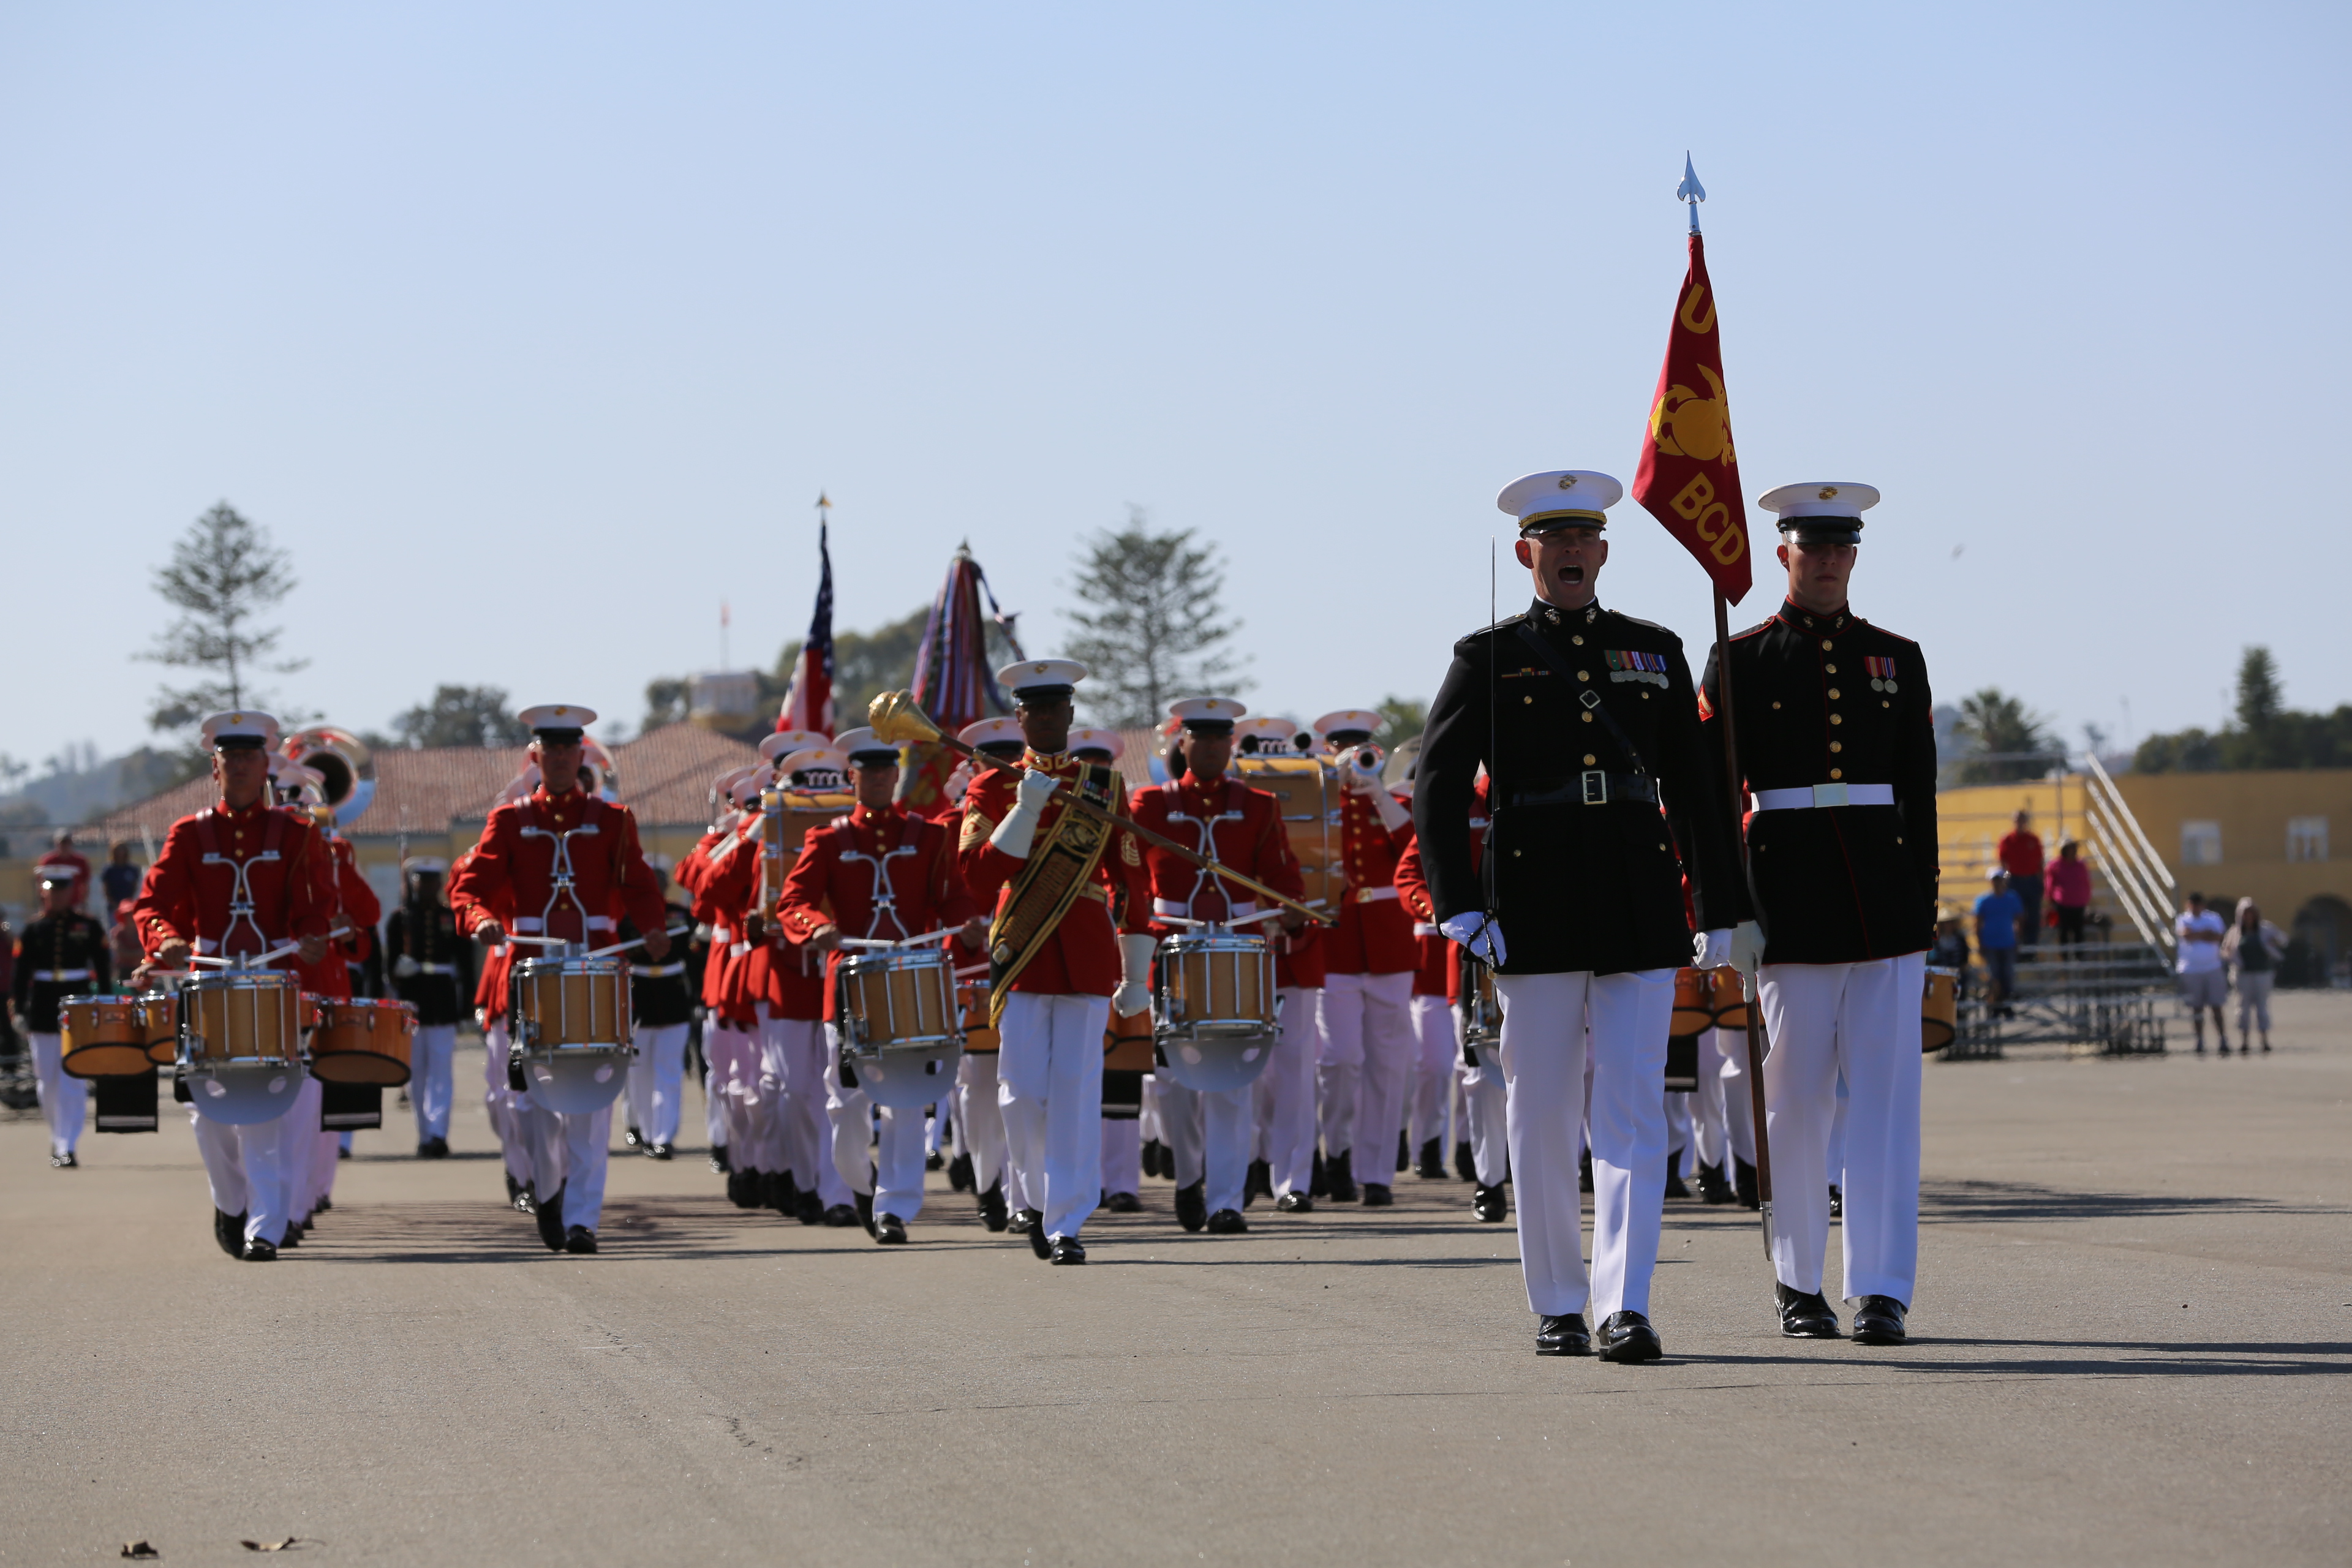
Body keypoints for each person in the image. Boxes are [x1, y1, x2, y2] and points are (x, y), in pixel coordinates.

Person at [1417, 469, 1750, 1363]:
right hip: (1534, 899)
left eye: (1584, 541)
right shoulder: (1485, 659)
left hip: (1639, 895)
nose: (1569, 554)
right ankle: (1559, 1298)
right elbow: (1438, 787)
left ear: (1602, 551)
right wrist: (1458, 904)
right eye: (1552, 542)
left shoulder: (1654, 648)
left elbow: (1699, 788)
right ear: (1528, 554)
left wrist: (1721, 902)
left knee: (1636, 1110)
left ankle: (1624, 1301)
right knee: (1542, 1109)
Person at [1699, 480, 1940, 1349]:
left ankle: (1881, 1288)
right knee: (1795, 1100)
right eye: (1816, 548)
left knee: (1884, 1103)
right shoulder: (1742, 659)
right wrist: (1725, 911)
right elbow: (1713, 799)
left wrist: (1926, 900)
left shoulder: (1895, 657)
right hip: (1787, 900)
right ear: (1784, 555)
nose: (1831, 561)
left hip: (1883, 901)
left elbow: (1919, 789)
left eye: (1844, 548)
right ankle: (1799, 1280)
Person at [449, 704, 671, 1255]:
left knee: (593, 1107)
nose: (561, 759)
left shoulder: (614, 819)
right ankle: (548, 1192)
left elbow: (639, 884)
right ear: (536, 757)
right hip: (529, 973)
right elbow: (469, 889)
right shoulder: (510, 821)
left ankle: (581, 1221)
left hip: (596, 972)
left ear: (582, 754)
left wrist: (655, 927)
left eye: (570, 750)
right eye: (550, 751)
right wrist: (479, 921)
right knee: (530, 1108)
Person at [959, 658, 1153, 1264]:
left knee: (1075, 1088)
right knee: (1019, 1094)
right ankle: (1037, 1198)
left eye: (1055, 709)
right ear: (1019, 717)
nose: (1045, 718)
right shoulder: (990, 785)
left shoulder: (1103, 785)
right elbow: (977, 876)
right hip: (1022, 951)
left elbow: (1133, 883)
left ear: (1070, 715)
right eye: (1033, 709)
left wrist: (1137, 972)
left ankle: (1066, 1221)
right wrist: (1023, 809)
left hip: (1088, 953)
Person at [129, 710, 336, 1260]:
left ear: (266, 765)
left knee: (267, 1105)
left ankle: (265, 1229)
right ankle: (230, 1201)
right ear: (214, 768)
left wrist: (313, 937)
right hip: (209, 986)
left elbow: (315, 908)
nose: (241, 767)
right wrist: (167, 939)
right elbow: (152, 906)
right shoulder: (190, 834)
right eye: (231, 758)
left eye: (250, 758)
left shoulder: (297, 832)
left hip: (271, 985)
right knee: (209, 1114)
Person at [776, 726, 986, 1243]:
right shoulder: (827, 840)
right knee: (845, 1103)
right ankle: (859, 1181)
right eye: (866, 772)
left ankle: (895, 1207)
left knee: (906, 1102)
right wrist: (815, 926)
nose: (876, 779)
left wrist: (971, 924)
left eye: (884, 771)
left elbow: (952, 897)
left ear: (896, 776)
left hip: (913, 983)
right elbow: (792, 902)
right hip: (848, 984)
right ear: (853, 778)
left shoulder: (930, 836)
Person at [1128, 696, 1308, 1235]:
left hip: (1240, 950)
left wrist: (1294, 910)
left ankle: (1227, 1199)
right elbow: (1129, 881)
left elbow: (1281, 871)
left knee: (1232, 1081)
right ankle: (1188, 1178)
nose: (1210, 748)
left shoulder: (1257, 804)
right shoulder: (1149, 805)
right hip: (1173, 950)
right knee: (1174, 1083)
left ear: (1231, 745)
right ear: (1181, 744)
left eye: (1219, 739)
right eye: (1199, 739)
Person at [1311, 707, 1419, 1207]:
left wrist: (1377, 791)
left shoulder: (1392, 800)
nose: (1353, 758)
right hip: (1336, 945)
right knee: (1340, 1060)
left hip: (1389, 943)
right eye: (1342, 749)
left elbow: (1413, 845)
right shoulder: (1318, 804)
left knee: (1387, 1064)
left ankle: (1376, 1173)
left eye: (1362, 749)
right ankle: (1337, 1150)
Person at [11, 862, 111, 1167]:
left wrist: (103, 1006)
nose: (57, 896)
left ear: (72, 892)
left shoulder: (88, 926)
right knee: (46, 1078)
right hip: (42, 1006)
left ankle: (69, 1144)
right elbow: (20, 973)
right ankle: (57, 1138)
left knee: (74, 1078)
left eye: (63, 890)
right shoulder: (33, 928)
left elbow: (104, 970)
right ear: (45, 892)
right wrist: (17, 1008)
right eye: (52, 890)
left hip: (78, 1004)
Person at [383, 858, 474, 1156]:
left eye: (433, 881)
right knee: (416, 1073)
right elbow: (389, 968)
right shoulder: (400, 919)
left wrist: (466, 1009)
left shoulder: (451, 917)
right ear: (414, 883)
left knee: (441, 1072)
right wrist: (399, 970)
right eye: (421, 881)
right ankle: (424, 1133)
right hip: (412, 1003)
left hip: (443, 1003)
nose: (427, 886)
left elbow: (466, 966)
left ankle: (439, 1133)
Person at [2220, 897, 2284, 1055]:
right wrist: (2230, 956)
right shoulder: (2235, 932)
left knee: (2262, 1008)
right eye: (2245, 913)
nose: (2248, 916)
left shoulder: (2265, 929)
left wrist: (2273, 943)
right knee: (2243, 1009)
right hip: (2243, 974)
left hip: (2262, 973)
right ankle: (2245, 1041)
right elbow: (2225, 950)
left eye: (2251, 912)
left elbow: (2283, 940)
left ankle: (2264, 1040)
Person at [2173, 892, 2230, 1053]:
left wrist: (2198, 934)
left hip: (2212, 967)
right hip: (2191, 969)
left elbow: (2217, 937)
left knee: (2217, 1006)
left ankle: (2222, 1038)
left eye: (2198, 904)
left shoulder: (2213, 918)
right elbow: (2186, 935)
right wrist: (2205, 933)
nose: (2195, 908)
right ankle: (2199, 1040)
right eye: (2192, 904)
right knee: (2196, 1007)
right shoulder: (2182, 919)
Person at [1974, 870, 2021, 1016]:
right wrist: (1980, 943)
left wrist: (2017, 939)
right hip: (1990, 944)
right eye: (1995, 880)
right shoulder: (1983, 900)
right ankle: (1995, 1006)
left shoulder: (2012, 898)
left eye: (1999, 879)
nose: (1997, 883)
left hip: (2007, 943)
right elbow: (1977, 923)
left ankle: (2005, 1006)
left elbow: (2019, 919)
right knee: (1994, 977)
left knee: (2007, 976)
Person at [1998, 810, 2045, 956]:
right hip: (2015, 881)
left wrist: (2041, 882)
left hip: (2031, 880)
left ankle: (2031, 951)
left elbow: (2040, 862)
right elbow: (2002, 861)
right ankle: (2017, 951)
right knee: (2017, 917)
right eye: (2018, 820)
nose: (2020, 823)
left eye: (2023, 820)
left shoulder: (2033, 839)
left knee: (2033, 917)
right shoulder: (2007, 840)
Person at [2047, 839, 2091, 952]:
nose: (2072, 851)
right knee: (2063, 931)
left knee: (2078, 932)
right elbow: (2050, 883)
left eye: (2074, 848)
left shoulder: (2081, 865)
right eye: (2070, 848)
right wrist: (2050, 899)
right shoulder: (2055, 865)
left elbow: (2086, 883)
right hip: (2062, 904)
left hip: (2079, 904)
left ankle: (2079, 957)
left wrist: (2086, 899)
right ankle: (2065, 957)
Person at [100, 842, 142, 917]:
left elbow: (135, 887)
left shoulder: (133, 869)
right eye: (118, 850)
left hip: (129, 907)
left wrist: (128, 903)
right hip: (113, 907)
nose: (120, 852)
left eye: (122, 850)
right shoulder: (109, 869)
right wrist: (114, 904)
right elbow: (106, 889)